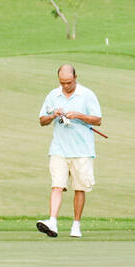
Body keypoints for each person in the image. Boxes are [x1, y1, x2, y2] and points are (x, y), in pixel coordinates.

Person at [37, 64, 102, 238]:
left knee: (79, 188)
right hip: (59, 149)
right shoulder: (53, 95)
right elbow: (42, 120)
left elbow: (98, 120)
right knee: (57, 186)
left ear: (76, 77)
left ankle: (76, 225)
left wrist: (79, 115)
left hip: (82, 151)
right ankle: (52, 222)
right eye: (62, 82)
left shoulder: (87, 95)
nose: (66, 86)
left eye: (69, 82)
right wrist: (52, 116)